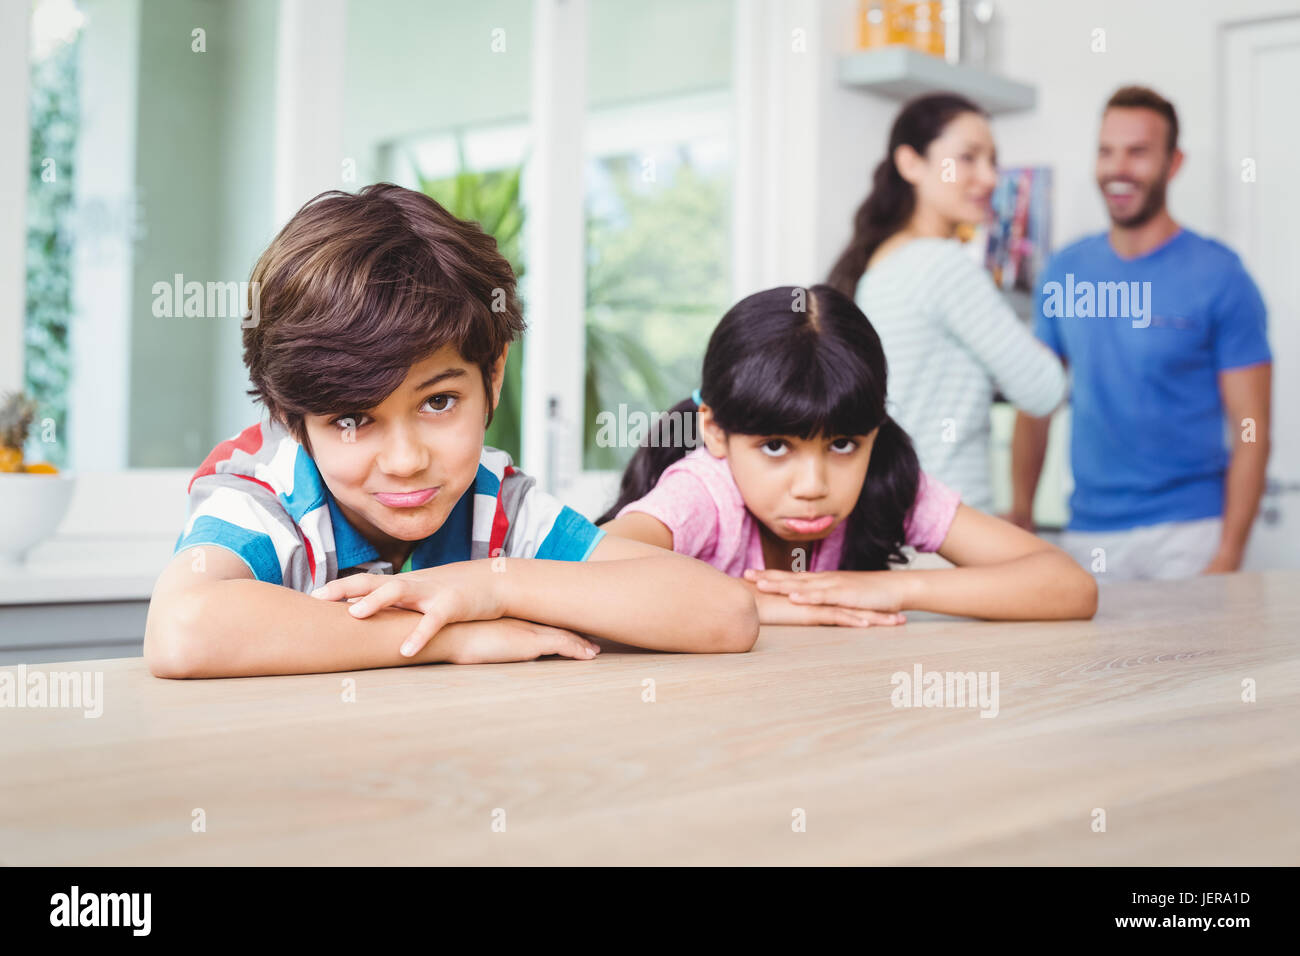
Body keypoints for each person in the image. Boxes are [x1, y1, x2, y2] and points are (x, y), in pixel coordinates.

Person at [144, 184, 758, 678]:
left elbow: (724, 614)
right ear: (288, 417)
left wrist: (489, 585)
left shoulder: (498, 505)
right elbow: (184, 629)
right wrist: (449, 640)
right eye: (353, 419)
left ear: (493, 378)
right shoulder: (266, 496)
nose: (407, 460)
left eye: (438, 402)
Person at [597, 284, 1097, 625]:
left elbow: (1069, 586)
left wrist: (895, 589)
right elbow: (580, 568)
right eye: (775, 447)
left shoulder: (886, 478)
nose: (813, 485)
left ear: (874, 433)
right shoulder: (703, 493)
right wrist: (758, 603)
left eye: (842, 444)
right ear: (716, 432)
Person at [1010, 86, 1272, 579]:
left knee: (1198, 662)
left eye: (1137, 152)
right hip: (1087, 533)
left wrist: (1229, 554)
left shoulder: (1220, 275)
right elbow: (1035, 402)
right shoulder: (1066, 271)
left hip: (1191, 535)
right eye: (1106, 152)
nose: (1118, 169)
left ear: (1174, 163)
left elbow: (1252, 431)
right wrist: (1022, 509)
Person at [827, 92, 1066, 513]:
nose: (990, 178)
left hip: (893, 520)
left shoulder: (877, 264)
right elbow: (1044, 390)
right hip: (948, 526)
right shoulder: (942, 264)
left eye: (992, 161)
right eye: (968, 158)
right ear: (910, 163)